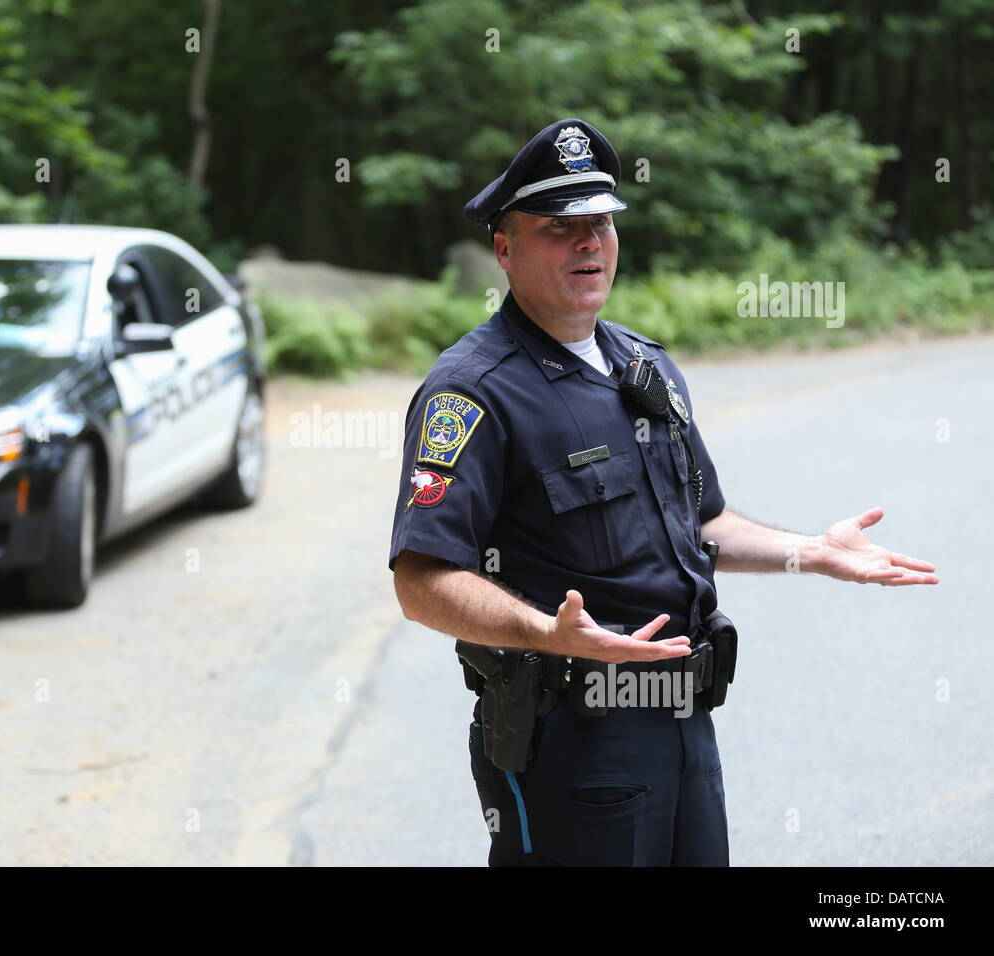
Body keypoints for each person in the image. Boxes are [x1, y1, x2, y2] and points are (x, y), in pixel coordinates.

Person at [388, 118, 939, 866]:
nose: (589, 242)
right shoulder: (473, 392)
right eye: (560, 227)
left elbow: (703, 520)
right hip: (569, 739)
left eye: (601, 223)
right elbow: (422, 579)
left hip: (682, 722)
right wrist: (548, 633)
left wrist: (807, 550)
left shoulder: (642, 366)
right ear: (504, 247)